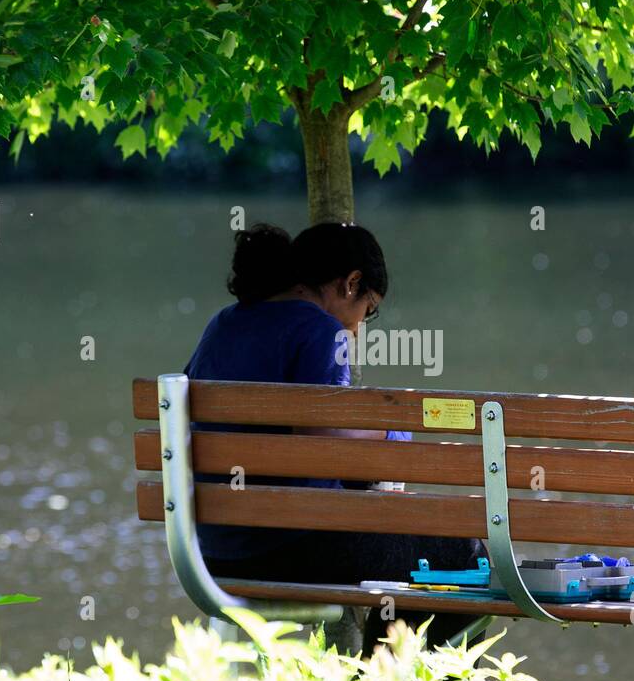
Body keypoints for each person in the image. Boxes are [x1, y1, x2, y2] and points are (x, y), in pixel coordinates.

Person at [184, 221, 486, 657]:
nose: (361, 328)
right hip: (292, 547)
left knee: (407, 560)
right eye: (369, 310)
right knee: (466, 557)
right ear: (351, 283)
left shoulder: (222, 325)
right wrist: (393, 434)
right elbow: (326, 441)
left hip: (214, 551)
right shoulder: (319, 331)